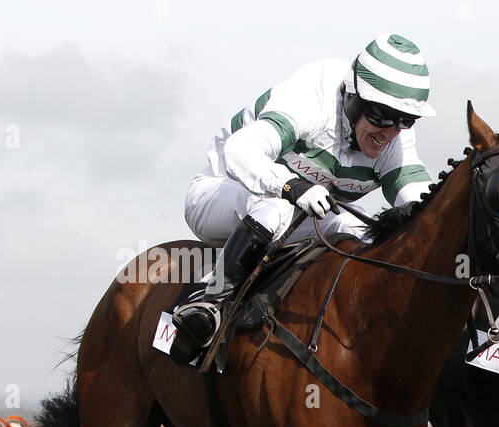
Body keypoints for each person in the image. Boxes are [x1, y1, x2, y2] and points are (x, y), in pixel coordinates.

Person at [171, 33, 436, 362]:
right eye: (381, 115)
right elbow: (241, 151)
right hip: (221, 195)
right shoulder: (312, 96)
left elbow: (419, 201)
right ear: (351, 96)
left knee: (361, 235)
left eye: (405, 120)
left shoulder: (396, 135)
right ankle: (207, 303)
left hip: (304, 219)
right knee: (276, 207)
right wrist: (292, 187)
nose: (390, 132)